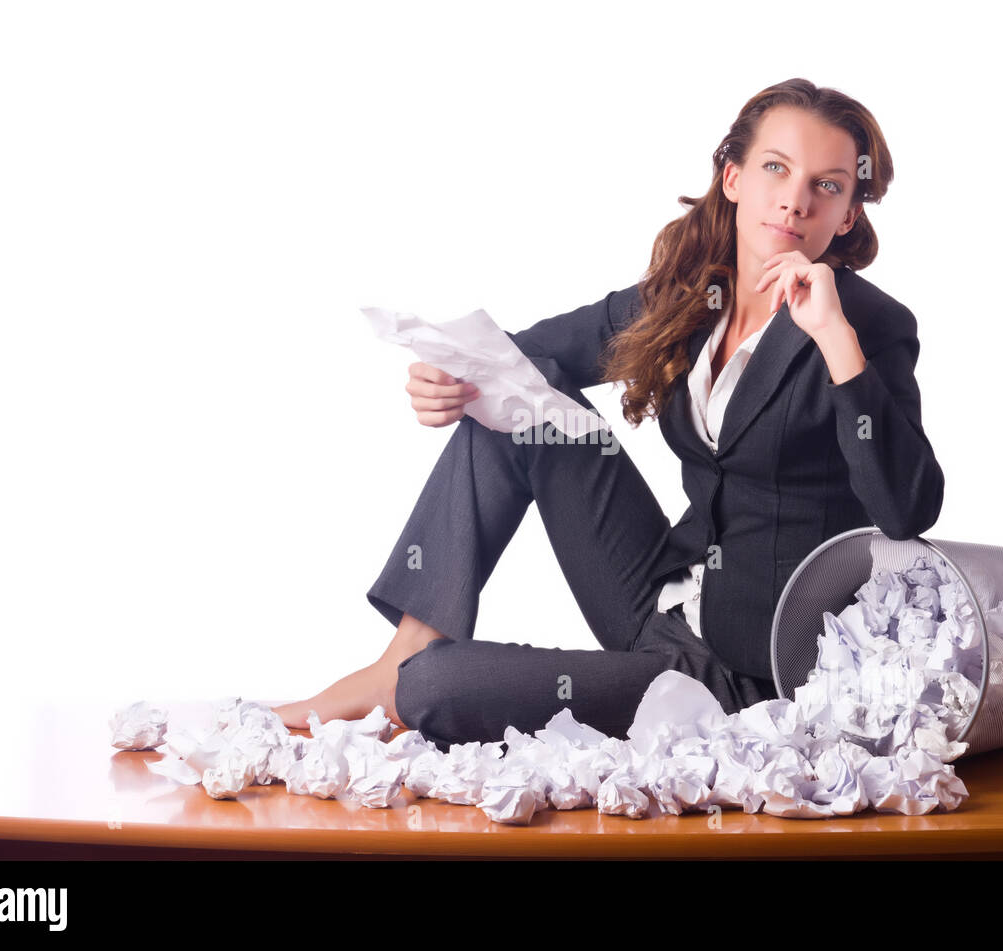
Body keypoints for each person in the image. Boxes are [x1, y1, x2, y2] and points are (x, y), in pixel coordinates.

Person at [273, 78, 945, 750]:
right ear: (734, 177)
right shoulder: (693, 295)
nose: (795, 200)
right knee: (519, 396)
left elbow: (906, 509)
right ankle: (405, 647)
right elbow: (526, 359)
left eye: (827, 185)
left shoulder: (868, 326)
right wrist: (448, 375)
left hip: (740, 679)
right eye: (776, 168)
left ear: (849, 213)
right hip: (653, 600)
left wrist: (834, 339)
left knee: (432, 689)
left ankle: (413, 677)